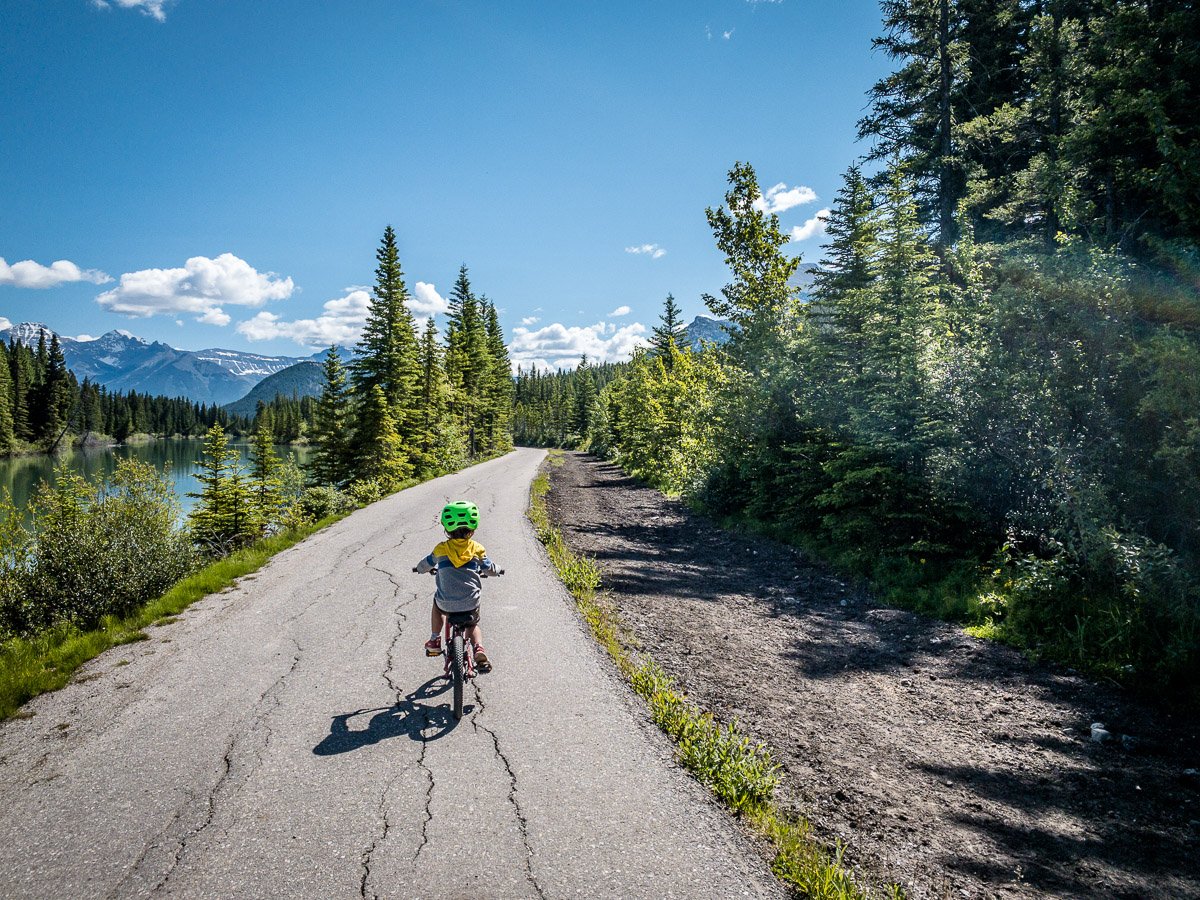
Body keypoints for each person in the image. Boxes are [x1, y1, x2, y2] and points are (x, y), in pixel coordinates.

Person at [415, 500, 501, 673]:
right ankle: (479, 649)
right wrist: (497, 570)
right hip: (470, 602)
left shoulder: (441, 549)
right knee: (472, 624)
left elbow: (425, 565)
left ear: (446, 529)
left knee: (436, 605)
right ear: (473, 529)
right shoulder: (477, 549)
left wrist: (419, 569)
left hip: (446, 603)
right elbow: (489, 569)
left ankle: (434, 639)